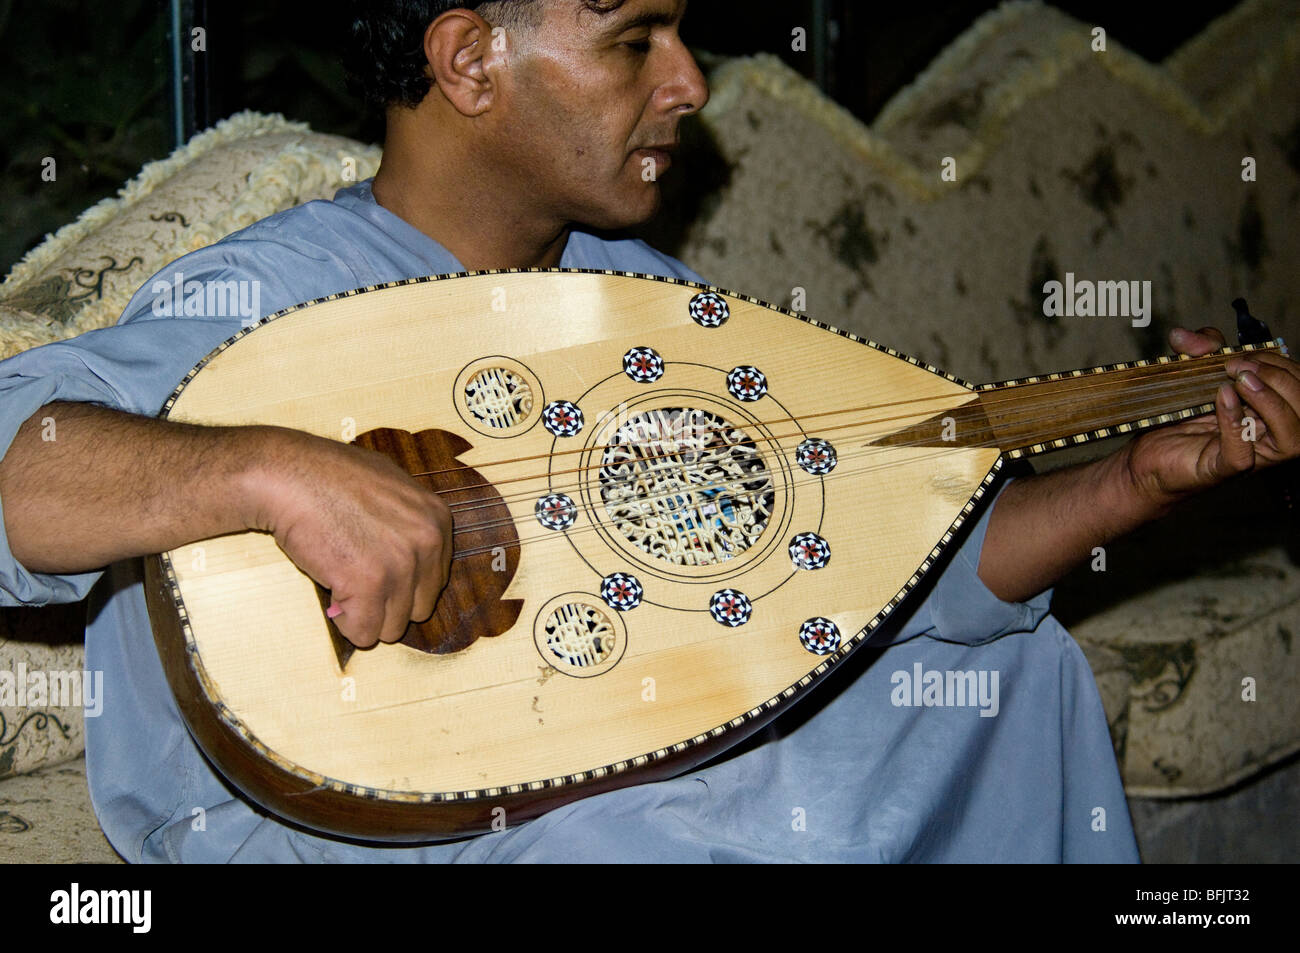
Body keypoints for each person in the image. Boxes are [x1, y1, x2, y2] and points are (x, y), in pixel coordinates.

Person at [0, 0, 1296, 862]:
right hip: (352, 829)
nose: (691, 84)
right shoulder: (267, 301)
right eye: (635, 38)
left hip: (609, 765)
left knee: (1020, 682)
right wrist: (264, 465)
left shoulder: (657, 311)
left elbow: (892, 565)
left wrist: (1137, 478)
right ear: (469, 64)